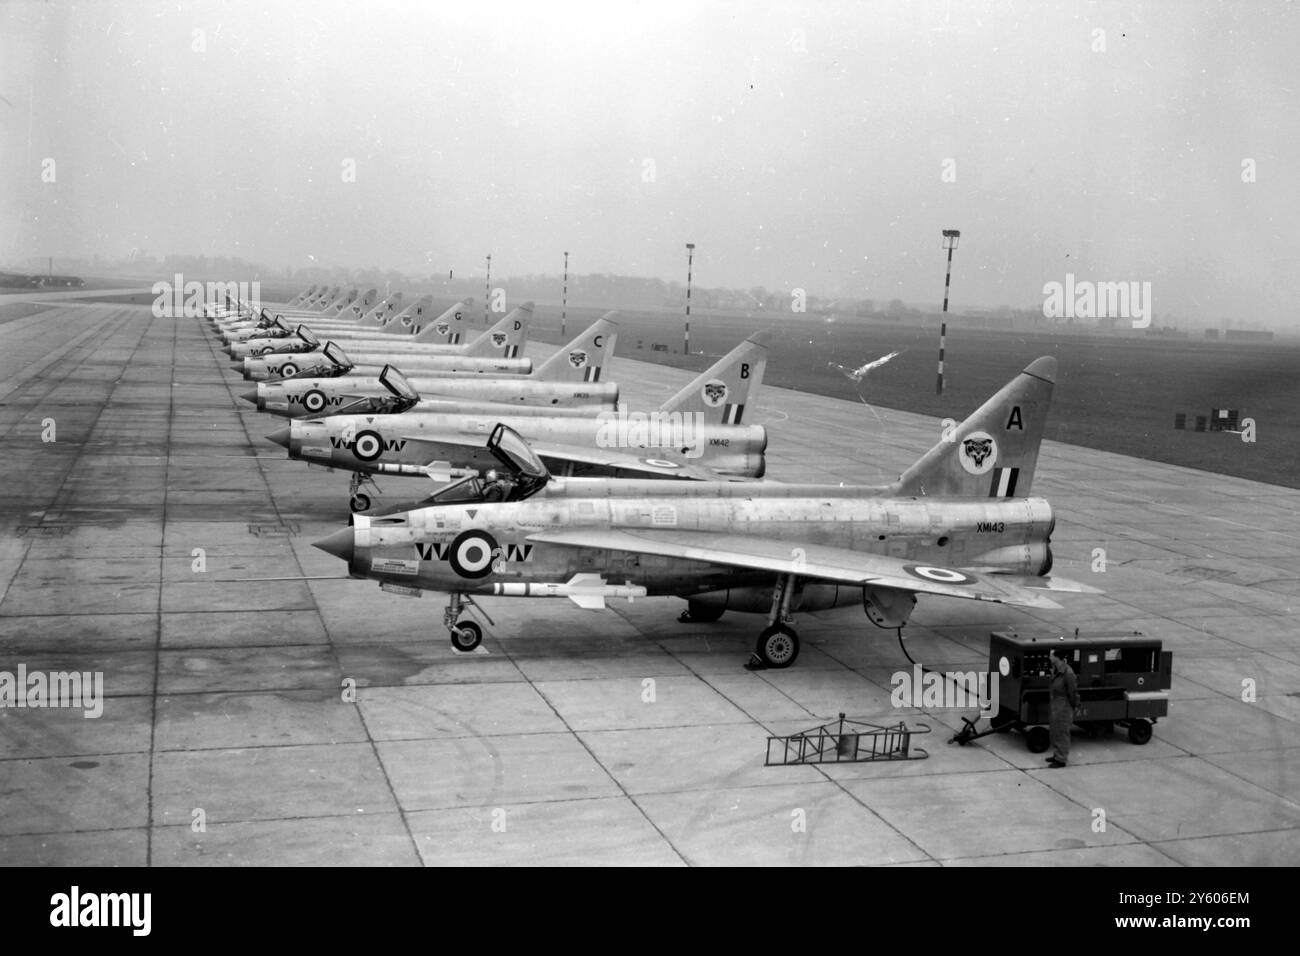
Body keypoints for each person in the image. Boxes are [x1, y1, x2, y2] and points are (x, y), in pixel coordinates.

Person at [1047, 647, 1080, 768]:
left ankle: (1061, 759)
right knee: (1055, 730)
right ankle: (1056, 754)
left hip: (1064, 705)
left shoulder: (1068, 673)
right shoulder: (1056, 670)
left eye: (1051, 655)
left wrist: (1072, 705)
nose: (1049, 657)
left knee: (1062, 731)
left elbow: (1073, 692)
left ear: (1057, 657)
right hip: (1056, 703)